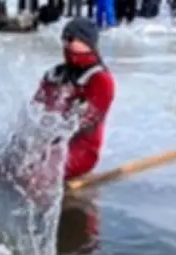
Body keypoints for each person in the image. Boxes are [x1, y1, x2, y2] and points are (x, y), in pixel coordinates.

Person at [33, 18, 115, 181]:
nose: (66, 44)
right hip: (49, 142)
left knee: (35, 175)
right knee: (5, 164)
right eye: (64, 39)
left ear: (86, 43)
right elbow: (36, 107)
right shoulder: (56, 73)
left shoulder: (99, 79)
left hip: (80, 150)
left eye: (71, 39)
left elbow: (88, 121)